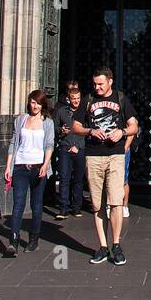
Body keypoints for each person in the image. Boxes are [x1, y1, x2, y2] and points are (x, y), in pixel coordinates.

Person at [72, 66, 137, 266]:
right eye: (95, 84)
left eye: (100, 83)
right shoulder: (88, 100)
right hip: (93, 156)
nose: (97, 87)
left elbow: (134, 125)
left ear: (110, 81)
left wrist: (123, 132)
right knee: (98, 204)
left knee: (116, 201)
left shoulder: (121, 98)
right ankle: (102, 245)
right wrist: (90, 131)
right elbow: (75, 126)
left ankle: (116, 245)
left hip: (115, 154)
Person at [4, 89, 54, 256]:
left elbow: (49, 145)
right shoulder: (20, 120)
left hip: (38, 167)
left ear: (43, 105)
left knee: (36, 205)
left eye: (38, 103)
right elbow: (13, 142)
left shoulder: (48, 122)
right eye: (33, 102)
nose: (35, 106)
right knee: (18, 204)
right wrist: (8, 166)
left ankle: (34, 239)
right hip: (20, 167)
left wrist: (46, 164)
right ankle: (13, 241)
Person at [54, 80, 85, 219]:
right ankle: (63, 208)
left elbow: (87, 131)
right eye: (74, 99)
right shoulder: (61, 112)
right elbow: (54, 128)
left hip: (79, 148)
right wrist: (61, 130)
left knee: (78, 179)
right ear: (69, 99)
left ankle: (77, 207)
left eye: (78, 98)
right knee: (64, 177)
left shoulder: (85, 113)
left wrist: (78, 146)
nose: (76, 101)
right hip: (65, 147)